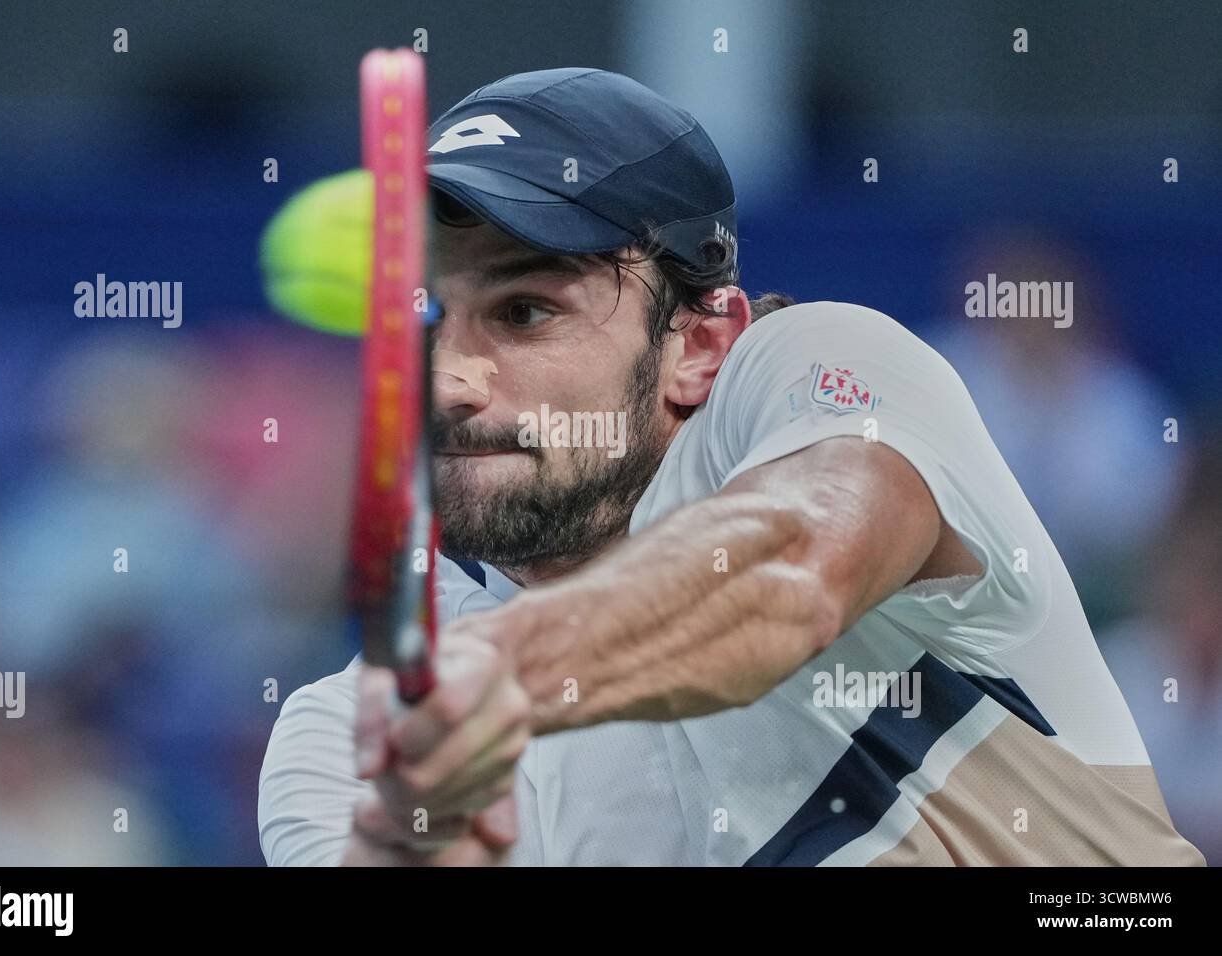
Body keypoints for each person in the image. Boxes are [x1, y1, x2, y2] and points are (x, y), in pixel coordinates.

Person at [258, 68, 1203, 866]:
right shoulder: (338, 735)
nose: (450, 383)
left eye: (525, 312)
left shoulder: (820, 365)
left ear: (701, 342)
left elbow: (794, 568)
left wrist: (496, 676)